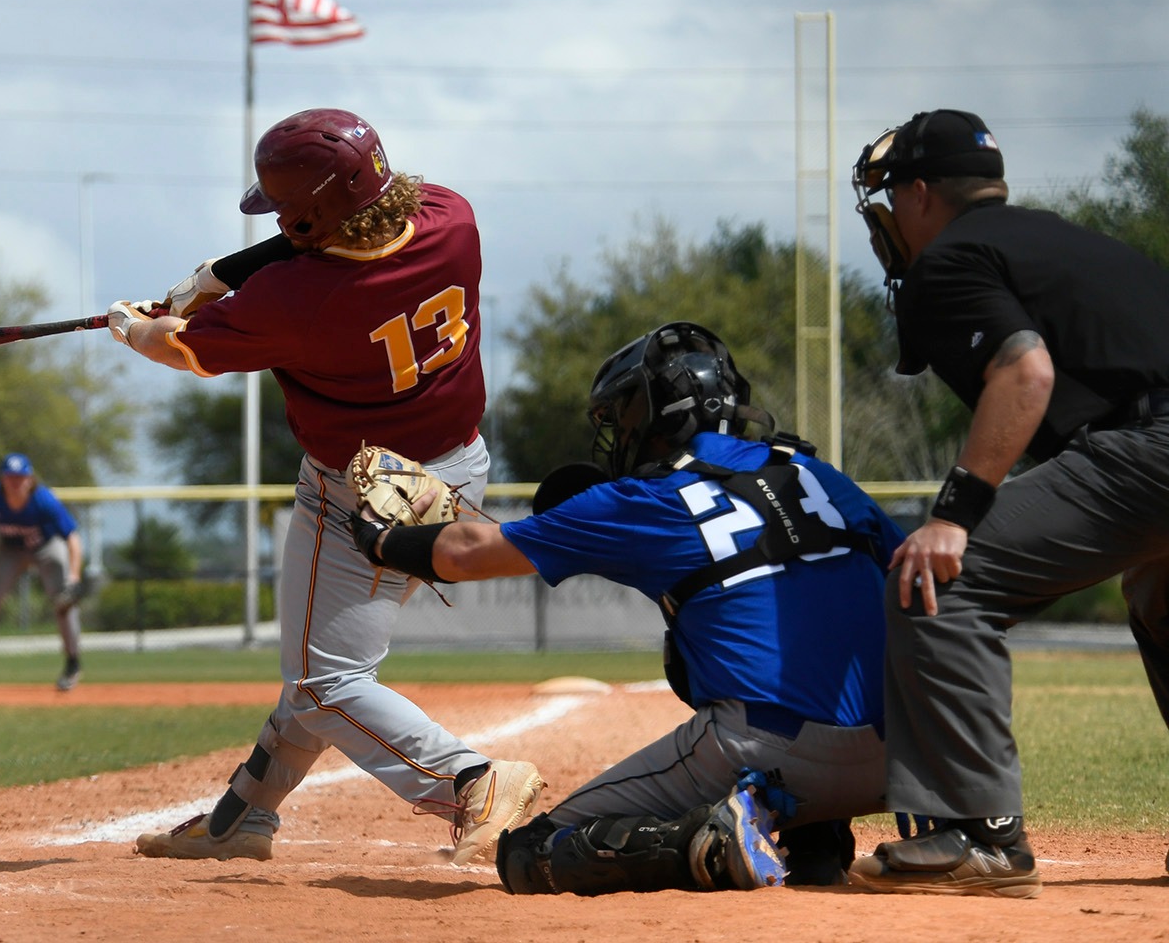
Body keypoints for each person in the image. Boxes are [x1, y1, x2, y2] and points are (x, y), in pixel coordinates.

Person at [108, 107, 543, 866]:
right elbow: (329, 236)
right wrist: (215, 277)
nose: (278, 221)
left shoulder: (297, 304)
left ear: (311, 216)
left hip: (359, 493)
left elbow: (180, 349)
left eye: (284, 210)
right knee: (323, 662)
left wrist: (134, 324)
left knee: (323, 678)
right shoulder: (452, 218)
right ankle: (242, 815)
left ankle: (469, 779)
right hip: (455, 468)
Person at [352, 321, 903, 894]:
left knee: (528, 853)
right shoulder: (819, 476)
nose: (619, 432)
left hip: (768, 743)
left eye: (624, 414)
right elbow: (915, 588)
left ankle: (705, 848)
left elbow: (466, 552)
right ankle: (815, 842)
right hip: (900, 756)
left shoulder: (647, 497)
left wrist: (381, 541)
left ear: (657, 413)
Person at [841, 109, 1169, 897]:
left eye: (892, 195)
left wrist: (953, 518)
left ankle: (974, 829)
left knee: (940, 580)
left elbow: (1026, 375)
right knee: (1160, 597)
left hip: (1151, 450)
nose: (889, 215)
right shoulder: (1073, 242)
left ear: (921, 194)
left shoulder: (949, 259)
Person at [0, 453, 86, 693]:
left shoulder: (44, 500)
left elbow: (72, 538)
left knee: (63, 602)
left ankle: (72, 663)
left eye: (20, 477)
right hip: (9, 550)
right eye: (10, 477)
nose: (15, 482)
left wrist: (74, 574)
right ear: (2, 478)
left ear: (30, 479)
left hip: (47, 547)